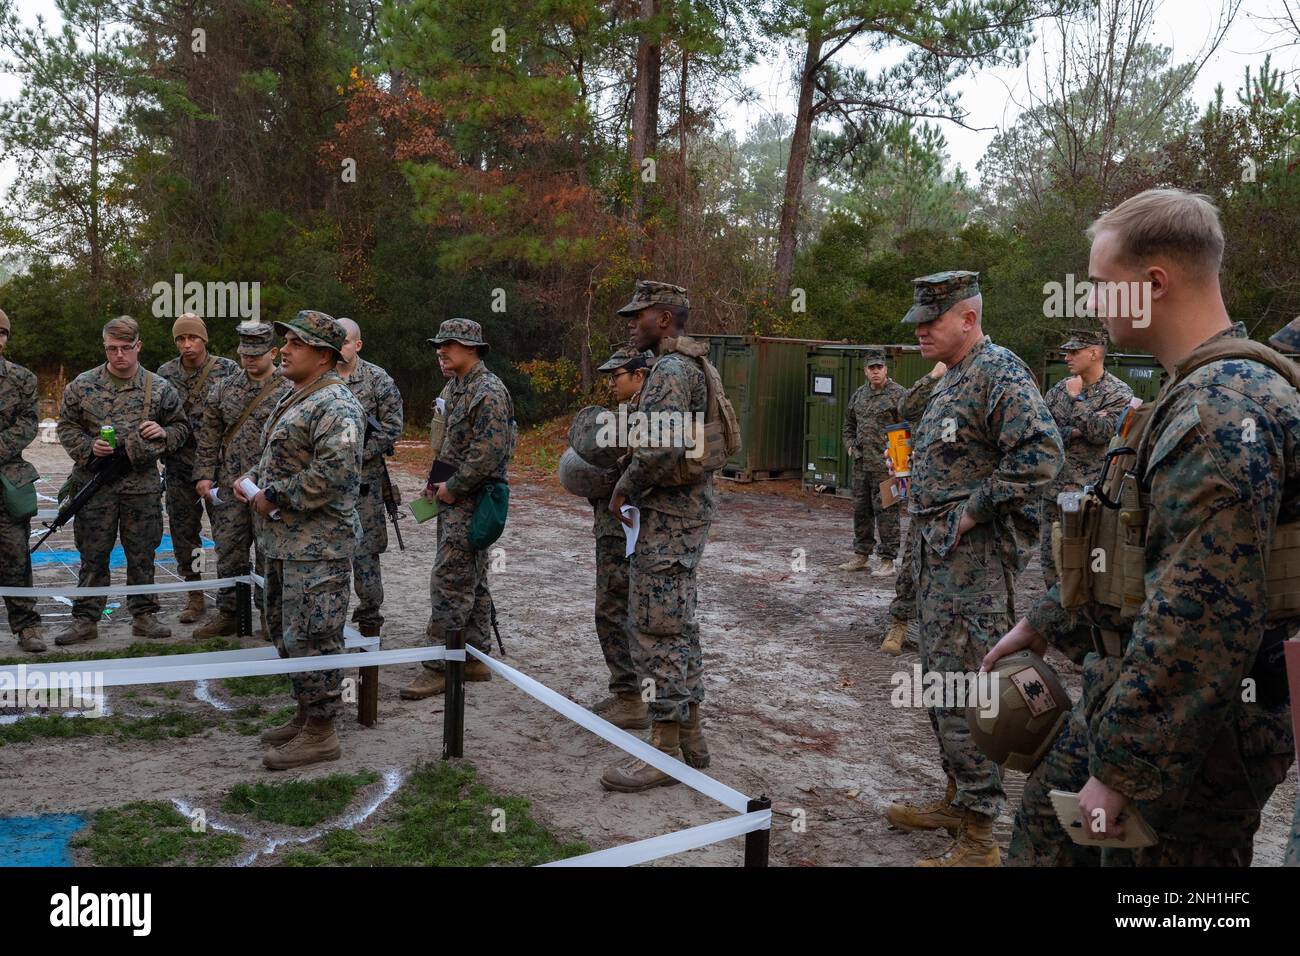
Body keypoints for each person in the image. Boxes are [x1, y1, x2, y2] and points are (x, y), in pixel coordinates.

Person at [984, 189, 1300, 867]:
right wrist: (1045, 619)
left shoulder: (1220, 409)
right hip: (1132, 692)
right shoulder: (1187, 393)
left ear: (1153, 283)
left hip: (1197, 737)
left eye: (1100, 287)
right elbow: (1133, 544)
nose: (1091, 305)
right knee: (1042, 840)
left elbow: (1201, 619)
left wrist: (1125, 772)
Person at [884, 271, 1062, 866]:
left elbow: (1042, 454)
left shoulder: (1000, 371)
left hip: (975, 564)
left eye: (931, 321)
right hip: (940, 557)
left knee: (972, 687)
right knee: (942, 682)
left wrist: (973, 511)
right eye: (917, 321)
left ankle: (981, 835)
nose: (919, 331)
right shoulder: (954, 375)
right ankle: (960, 798)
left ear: (968, 318)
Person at [601, 280, 718, 792]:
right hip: (683, 513)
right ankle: (691, 737)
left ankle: (663, 748)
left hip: (670, 515)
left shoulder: (671, 370)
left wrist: (624, 488)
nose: (632, 322)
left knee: (656, 629)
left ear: (664, 318)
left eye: (639, 315)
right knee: (678, 623)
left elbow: (659, 447)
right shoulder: (693, 364)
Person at [236, 310, 365, 770]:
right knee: (288, 636)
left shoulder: (338, 405)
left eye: (297, 343)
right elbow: (276, 457)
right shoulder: (297, 396)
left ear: (325, 356)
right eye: (286, 340)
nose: (284, 349)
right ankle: (306, 713)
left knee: (315, 637)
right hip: (284, 544)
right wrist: (252, 480)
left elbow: (333, 474)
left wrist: (270, 497)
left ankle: (322, 731)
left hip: (317, 548)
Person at [54, 316, 189, 644]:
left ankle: (144, 615)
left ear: (138, 346)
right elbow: (66, 426)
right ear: (104, 347)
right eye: (112, 348)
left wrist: (163, 433)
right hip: (95, 486)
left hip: (140, 488)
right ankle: (86, 619)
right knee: (92, 555)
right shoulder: (83, 385)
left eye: (126, 348)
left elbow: (181, 428)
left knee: (142, 555)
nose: (119, 355)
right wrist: (89, 448)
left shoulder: (158, 388)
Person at [400, 319, 515, 700]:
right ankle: (475, 656)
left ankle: (439, 665)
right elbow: (450, 443)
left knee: (449, 581)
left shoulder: (489, 391)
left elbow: (488, 454)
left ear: (472, 348)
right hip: (452, 498)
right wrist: (436, 484)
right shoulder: (455, 387)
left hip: (471, 500)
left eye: (449, 345)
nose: (441, 351)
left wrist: (453, 487)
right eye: (439, 344)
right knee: (473, 577)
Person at [191, 322, 291, 639]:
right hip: (230, 484)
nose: (249, 360)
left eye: (256, 354)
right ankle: (230, 613)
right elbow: (208, 437)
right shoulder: (223, 388)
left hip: (270, 486)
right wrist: (204, 475)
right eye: (244, 353)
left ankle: (268, 616)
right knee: (230, 551)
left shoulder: (288, 388)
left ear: (273, 352)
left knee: (269, 553)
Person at [156, 313, 238, 624]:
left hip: (219, 469)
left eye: (193, 338)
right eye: (180, 339)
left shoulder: (227, 369)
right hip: (180, 469)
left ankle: (230, 596)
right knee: (187, 537)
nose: (187, 344)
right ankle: (196, 593)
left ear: (204, 339)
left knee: (228, 535)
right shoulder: (165, 374)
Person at [586, 346, 653, 729]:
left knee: (613, 610)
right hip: (622, 527)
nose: (612, 381)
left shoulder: (640, 419)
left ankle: (632, 698)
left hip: (623, 529)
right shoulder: (630, 416)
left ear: (639, 376)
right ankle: (634, 694)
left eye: (618, 375)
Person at [1038, 329, 1132, 590]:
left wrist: (1077, 400)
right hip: (1054, 491)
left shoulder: (1118, 393)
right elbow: (1043, 432)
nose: (1067, 357)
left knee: (1087, 563)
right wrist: (1077, 430)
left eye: (1074, 351)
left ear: (1094, 353)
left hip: (1089, 495)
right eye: (1066, 351)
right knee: (1050, 563)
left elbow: (1102, 433)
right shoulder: (1058, 390)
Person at [335, 318, 404, 640]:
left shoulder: (377, 379)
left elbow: (392, 427)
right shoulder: (322, 379)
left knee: (366, 553)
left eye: (346, 341)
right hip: (328, 484)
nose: (340, 347)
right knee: (331, 552)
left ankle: (369, 615)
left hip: (366, 486)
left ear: (358, 344)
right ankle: (330, 616)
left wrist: (360, 453)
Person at [879, 360, 946, 656]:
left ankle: (942, 631)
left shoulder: (988, 376)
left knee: (953, 570)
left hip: (962, 498)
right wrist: (934, 375)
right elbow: (907, 408)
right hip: (924, 491)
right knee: (911, 561)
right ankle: (899, 621)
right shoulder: (937, 382)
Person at [0, 308, 46, 652]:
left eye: (1, 333)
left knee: (15, 556)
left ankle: (27, 626)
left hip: (8, 481)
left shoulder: (22, 379)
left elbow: (28, 424)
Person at [839, 349, 907, 576]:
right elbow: (848, 425)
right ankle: (861, 554)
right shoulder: (859, 395)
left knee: (887, 512)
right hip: (862, 466)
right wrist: (850, 446)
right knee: (861, 511)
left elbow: (910, 427)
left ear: (886, 369)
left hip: (888, 468)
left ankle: (887, 560)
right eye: (871, 368)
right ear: (865, 371)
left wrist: (901, 462)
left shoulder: (899, 395)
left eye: (879, 367)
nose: (876, 371)